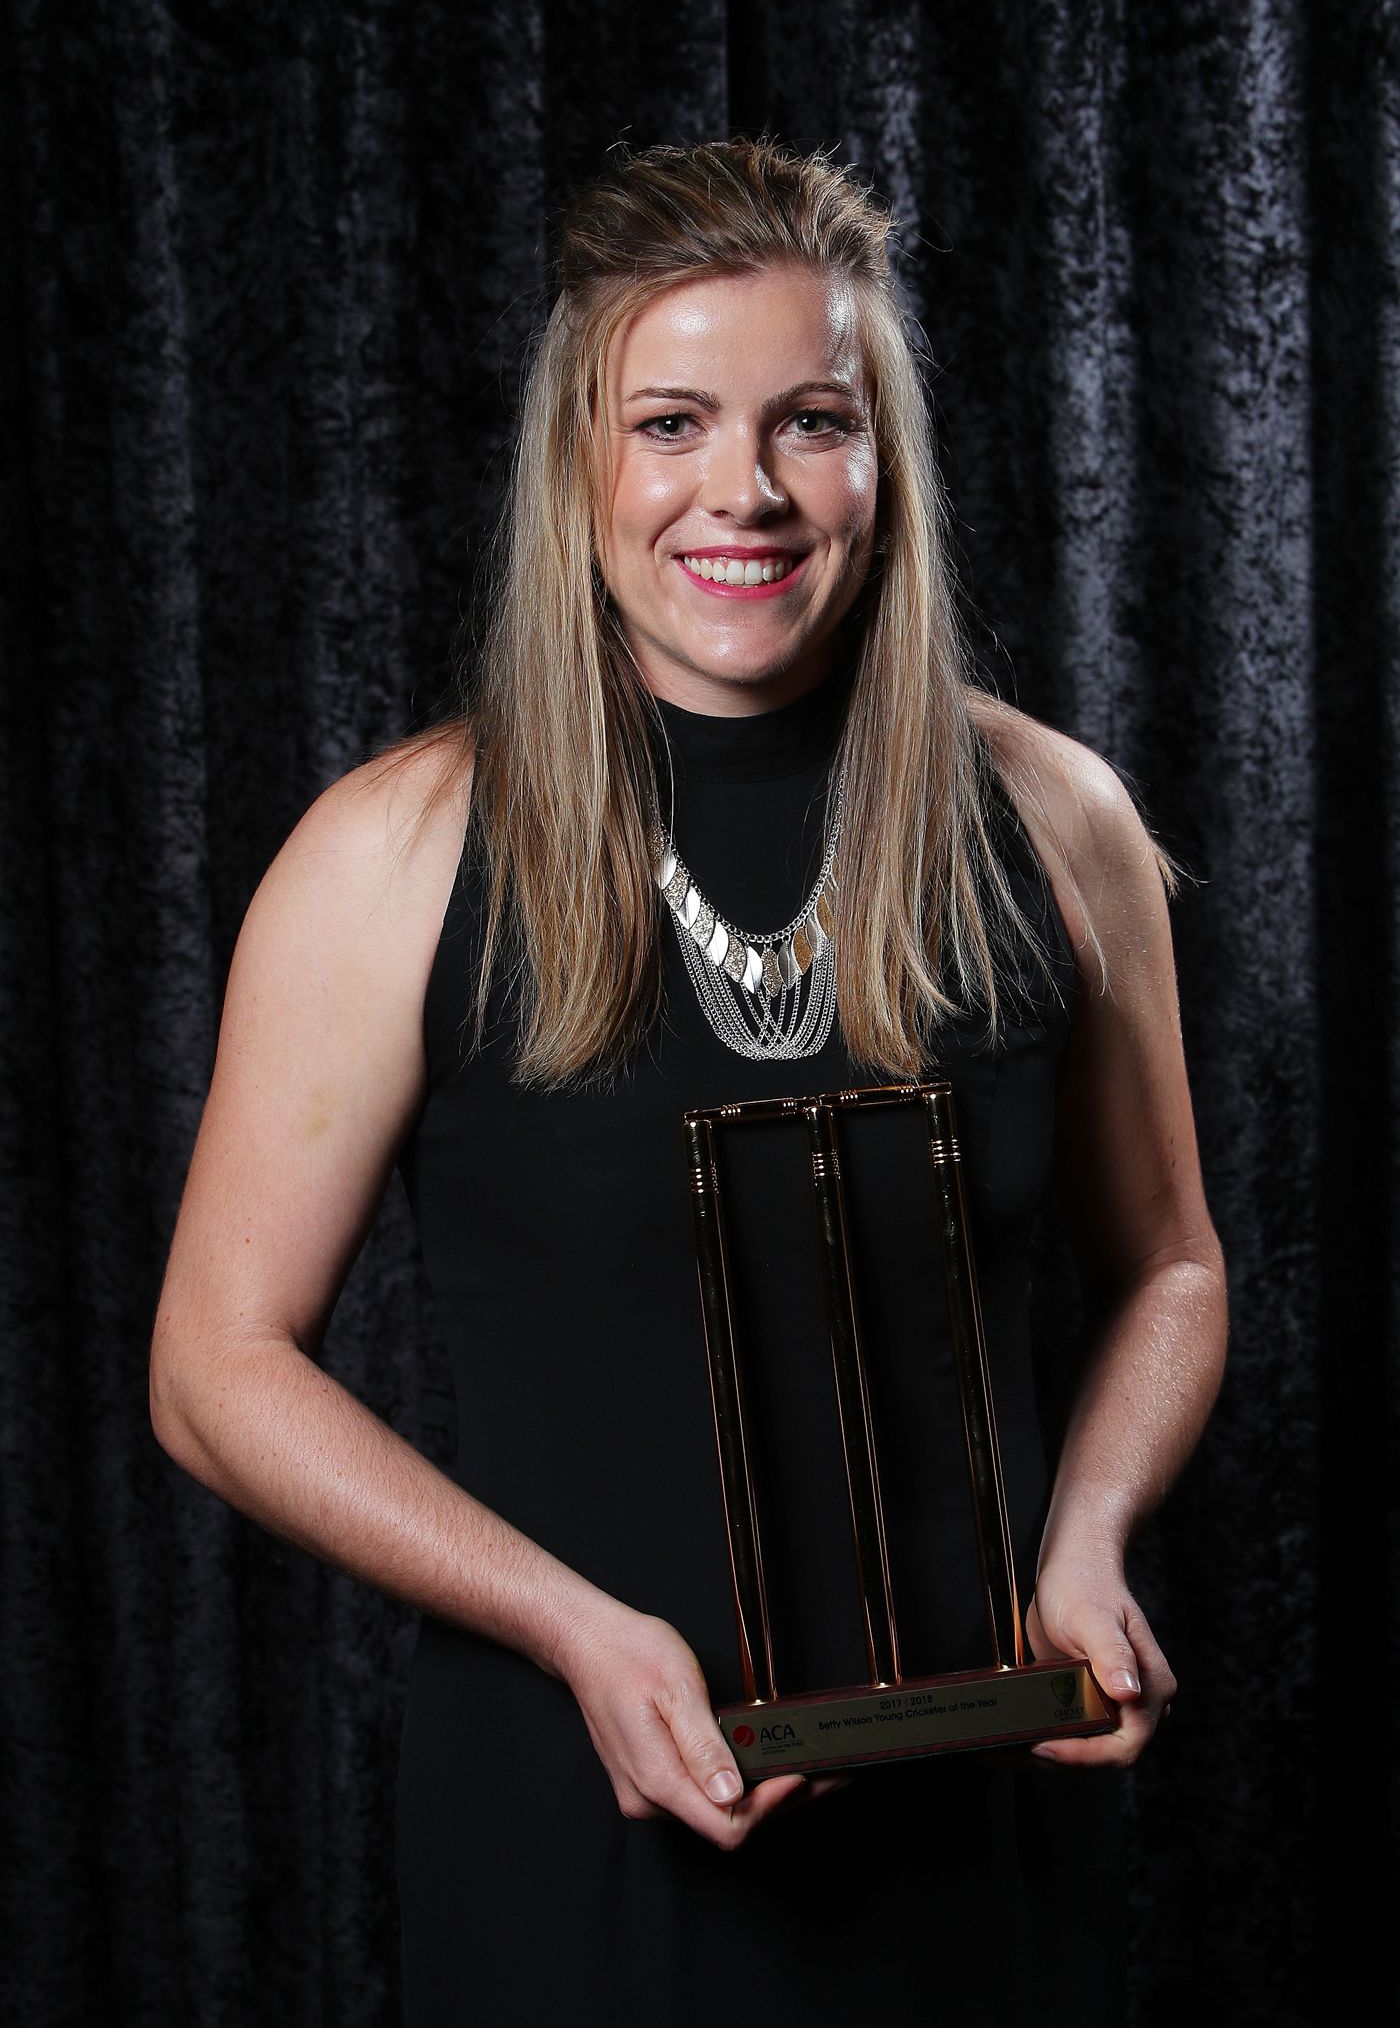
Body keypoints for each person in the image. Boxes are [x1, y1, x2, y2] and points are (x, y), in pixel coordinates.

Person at [150, 138, 1227, 2025]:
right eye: (671, 420)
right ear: (581, 461)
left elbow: (1175, 1268)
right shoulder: (394, 849)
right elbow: (214, 1366)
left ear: (883, 464)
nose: (742, 490)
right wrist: (573, 1630)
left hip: (980, 1844)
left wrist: (1091, 1536)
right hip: (585, 1824)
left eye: (813, 421)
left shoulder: (1058, 820)